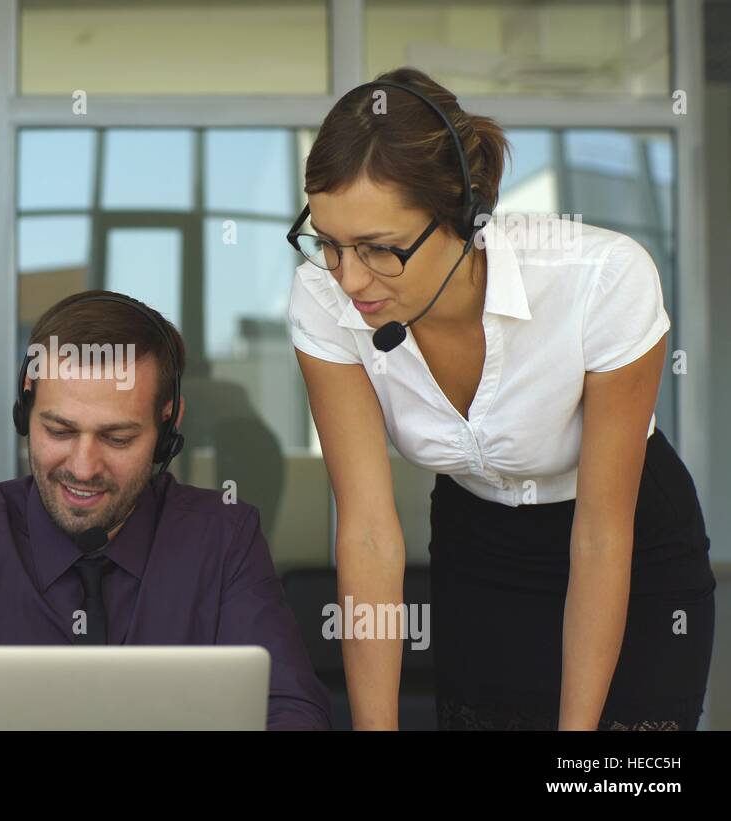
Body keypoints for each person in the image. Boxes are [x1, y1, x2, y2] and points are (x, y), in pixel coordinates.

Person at [286, 67, 715, 730]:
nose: (348, 277)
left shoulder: (599, 280)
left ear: (461, 213)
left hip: (622, 539)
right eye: (329, 243)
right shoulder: (321, 299)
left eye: (378, 249)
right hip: (478, 540)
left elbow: (602, 538)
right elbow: (368, 534)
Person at [0, 291, 331, 730]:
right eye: (60, 431)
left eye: (118, 438)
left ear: (168, 427)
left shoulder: (225, 539)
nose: (84, 468)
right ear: (25, 410)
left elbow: (291, 710)